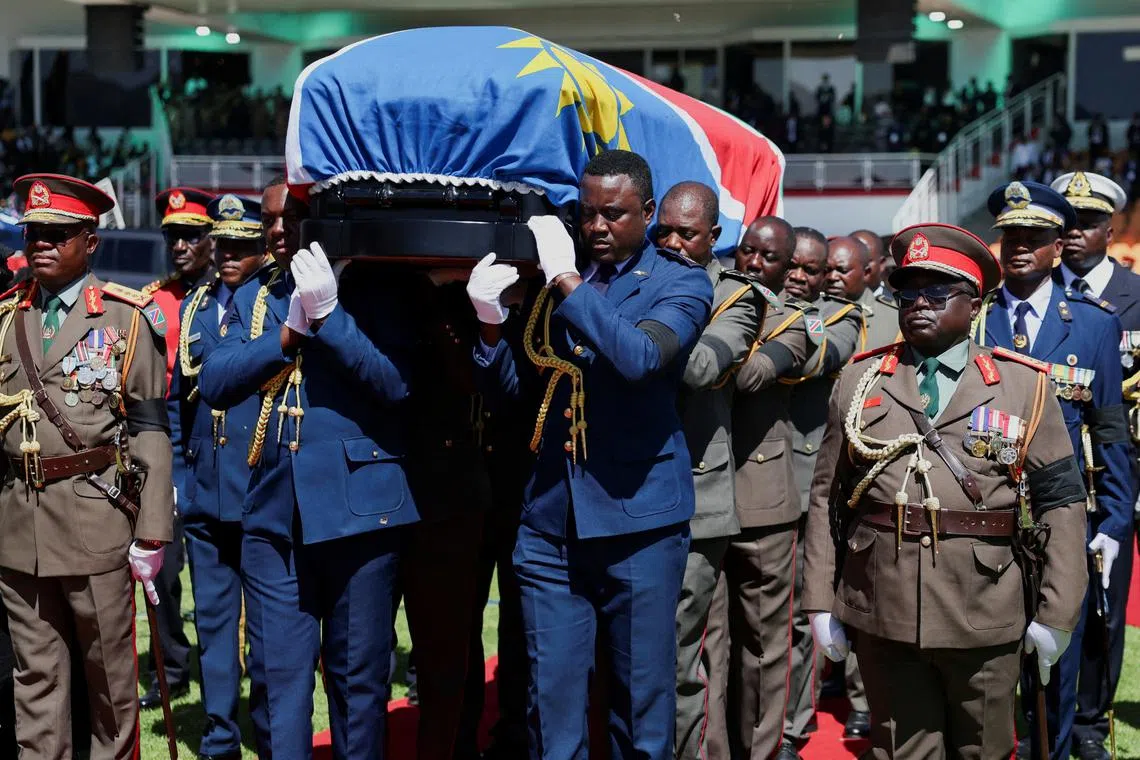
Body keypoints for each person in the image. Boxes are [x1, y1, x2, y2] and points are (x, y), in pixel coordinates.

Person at [804, 220, 1089, 760]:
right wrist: (821, 601)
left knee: (982, 751)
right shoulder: (861, 379)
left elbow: (1062, 502)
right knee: (900, 751)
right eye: (907, 292)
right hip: (883, 604)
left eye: (937, 292)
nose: (918, 304)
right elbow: (826, 497)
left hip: (984, 606)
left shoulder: (1023, 385)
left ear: (975, 304)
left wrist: (1057, 612)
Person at [465, 149, 712, 760]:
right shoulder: (557, 280)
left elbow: (639, 358)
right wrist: (490, 325)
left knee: (640, 707)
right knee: (550, 706)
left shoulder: (681, 282)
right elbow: (521, 393)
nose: (597, 226)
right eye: (587, 213)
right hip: (552, 522)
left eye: (614, 214)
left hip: (638, 523)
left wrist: (566, 281)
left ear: (647, 213)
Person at [198, 198, 421, 758]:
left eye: (292, 217)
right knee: (276, 684)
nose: (278, 230)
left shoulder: (380, 284)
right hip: (275, 516)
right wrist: (286, 337)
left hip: (360, 515)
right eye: (270, 220)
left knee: (357, 684)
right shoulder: (258, 294)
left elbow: (394, 384)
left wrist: (329, 317)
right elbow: (216, 380)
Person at [0, 173, 174, 758]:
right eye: (34, 233)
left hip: (95, 520)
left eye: (57, 233)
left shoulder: (126, 318)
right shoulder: (7, 316)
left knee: (110, 689)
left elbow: (149, 427)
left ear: (90, 241)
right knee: (36, 684)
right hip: (19, 528)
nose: (41, 244)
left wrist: (152, 531)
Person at [977, 179, 1131, 760]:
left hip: (1061, 516)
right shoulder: (974, 315)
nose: (1019, 246)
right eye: (1011, 235)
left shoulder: (1093, 325)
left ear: (1057, 245)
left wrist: (1113, 519)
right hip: (983, 509)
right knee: (988, 662)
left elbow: (1109, 429)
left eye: (1034, 236)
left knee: (1056, 659)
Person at [653, 182, 767, 760]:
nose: (673, 244)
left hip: (698, 497)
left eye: (688, 233)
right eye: (664, 231)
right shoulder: (634, 276)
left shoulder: (736, 297)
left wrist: (627, 326)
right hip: (630, 491)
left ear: (715, 236)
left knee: (678, 655)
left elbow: (700, 367)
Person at [702, 216, 817, 760]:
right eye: (747, 250)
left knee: (765, 646)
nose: (752, 262)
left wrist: (713, 341)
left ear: (788, 266)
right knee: (708, 644)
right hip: (704, 496)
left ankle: (762, 750)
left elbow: (749, 376)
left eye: (768, 257)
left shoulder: (797, 321)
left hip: (762, 501)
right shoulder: (712, 299)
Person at [169, 189, 273, 760]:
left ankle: (269, 730)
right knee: (212, 625)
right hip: (206, 492)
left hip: (260, 488)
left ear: (263, 247)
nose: (230, 255)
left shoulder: (277, 301)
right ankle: (218, 735)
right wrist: (181, 481)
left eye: (243, 245)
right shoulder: (196, 306)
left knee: (266, 632)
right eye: (224, 244)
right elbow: (176, 405)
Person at [1051, 172, 1139, 760]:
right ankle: (1045, 713)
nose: (1077, 233)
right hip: (1056, 469)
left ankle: (1089, 721)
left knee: (1108, 602)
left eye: (1088, 223)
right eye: (1069, 224)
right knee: (1052, 599)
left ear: (1111, 229)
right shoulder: (1036, 293)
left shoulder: (1137, 293)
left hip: (1120, 467)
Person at [396, 260, 493, 760]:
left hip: (453, 488)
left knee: (450, 646)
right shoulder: (382, 293)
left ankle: (455, 747)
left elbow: (473, 378)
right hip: (388, 483)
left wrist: (444, 299)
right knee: (361, 653)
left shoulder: (465, 303)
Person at [782, 226, 865, 754]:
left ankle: (792, 726)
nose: (797, 275)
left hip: (804, 483)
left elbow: (814, 355)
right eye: (790, 263)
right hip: (742, 483)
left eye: (810, 269)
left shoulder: (833, 318)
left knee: (801, 614)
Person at [139, 185, 218, 710]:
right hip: (165, 443)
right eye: (173, 237)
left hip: (213, 440)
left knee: (214, 575)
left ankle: (219, 672)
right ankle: (170, 669)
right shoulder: (153, 300)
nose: (180, 246)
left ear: (211, 239)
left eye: (190, 235)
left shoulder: (231, 295)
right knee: (162, 571)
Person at [826, 235, 898, 351]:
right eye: (827, 270)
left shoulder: (893, 316)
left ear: (866, 272)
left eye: (843, 271)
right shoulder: (812, 310)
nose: (832, 277)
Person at [851, 229, 886, 297]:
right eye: (852, 263)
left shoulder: (897, 301)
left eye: (865, 261)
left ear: (881, 264)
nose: (859, 269)